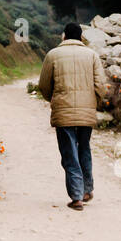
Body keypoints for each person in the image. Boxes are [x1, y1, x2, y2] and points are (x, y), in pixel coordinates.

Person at [37, 22, 110, 210]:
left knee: (69, 152)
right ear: (81, 37)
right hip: (87, 113)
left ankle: (77, 197)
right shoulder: (92, 55)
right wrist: (94, 102)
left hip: (64, 112)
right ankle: (87, 189)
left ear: (64, 36)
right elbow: (101, 86)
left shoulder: (53, 55)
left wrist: (53, 100)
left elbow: (44, 86)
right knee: (84, 148)